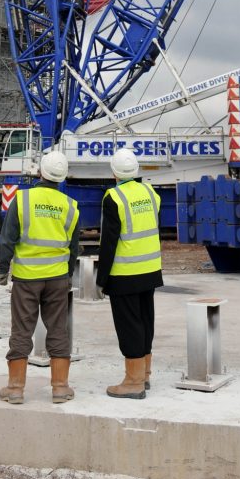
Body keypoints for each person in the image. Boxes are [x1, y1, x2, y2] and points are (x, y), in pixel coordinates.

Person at [0, 149, 80, 405]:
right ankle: (60, 387)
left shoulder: (21, 200)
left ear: (40, 171)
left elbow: (7, 238)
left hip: (27, 278)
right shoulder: (70, 206)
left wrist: (3, 269)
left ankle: (15, 389)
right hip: (57, 278)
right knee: (58, 330)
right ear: (62, 177)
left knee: (22, 330)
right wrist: (67, 274)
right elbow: (74, 248)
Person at [96, 147, 162, 399]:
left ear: (114, 172)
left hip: (125, 273)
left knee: (129, 325)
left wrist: (102, 279)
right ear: (136, 170)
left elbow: (108, 242)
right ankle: (144, 374)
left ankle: (133, 382)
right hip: (150, 270)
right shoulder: (151, 193)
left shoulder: (113, 197)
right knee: (146, 321)